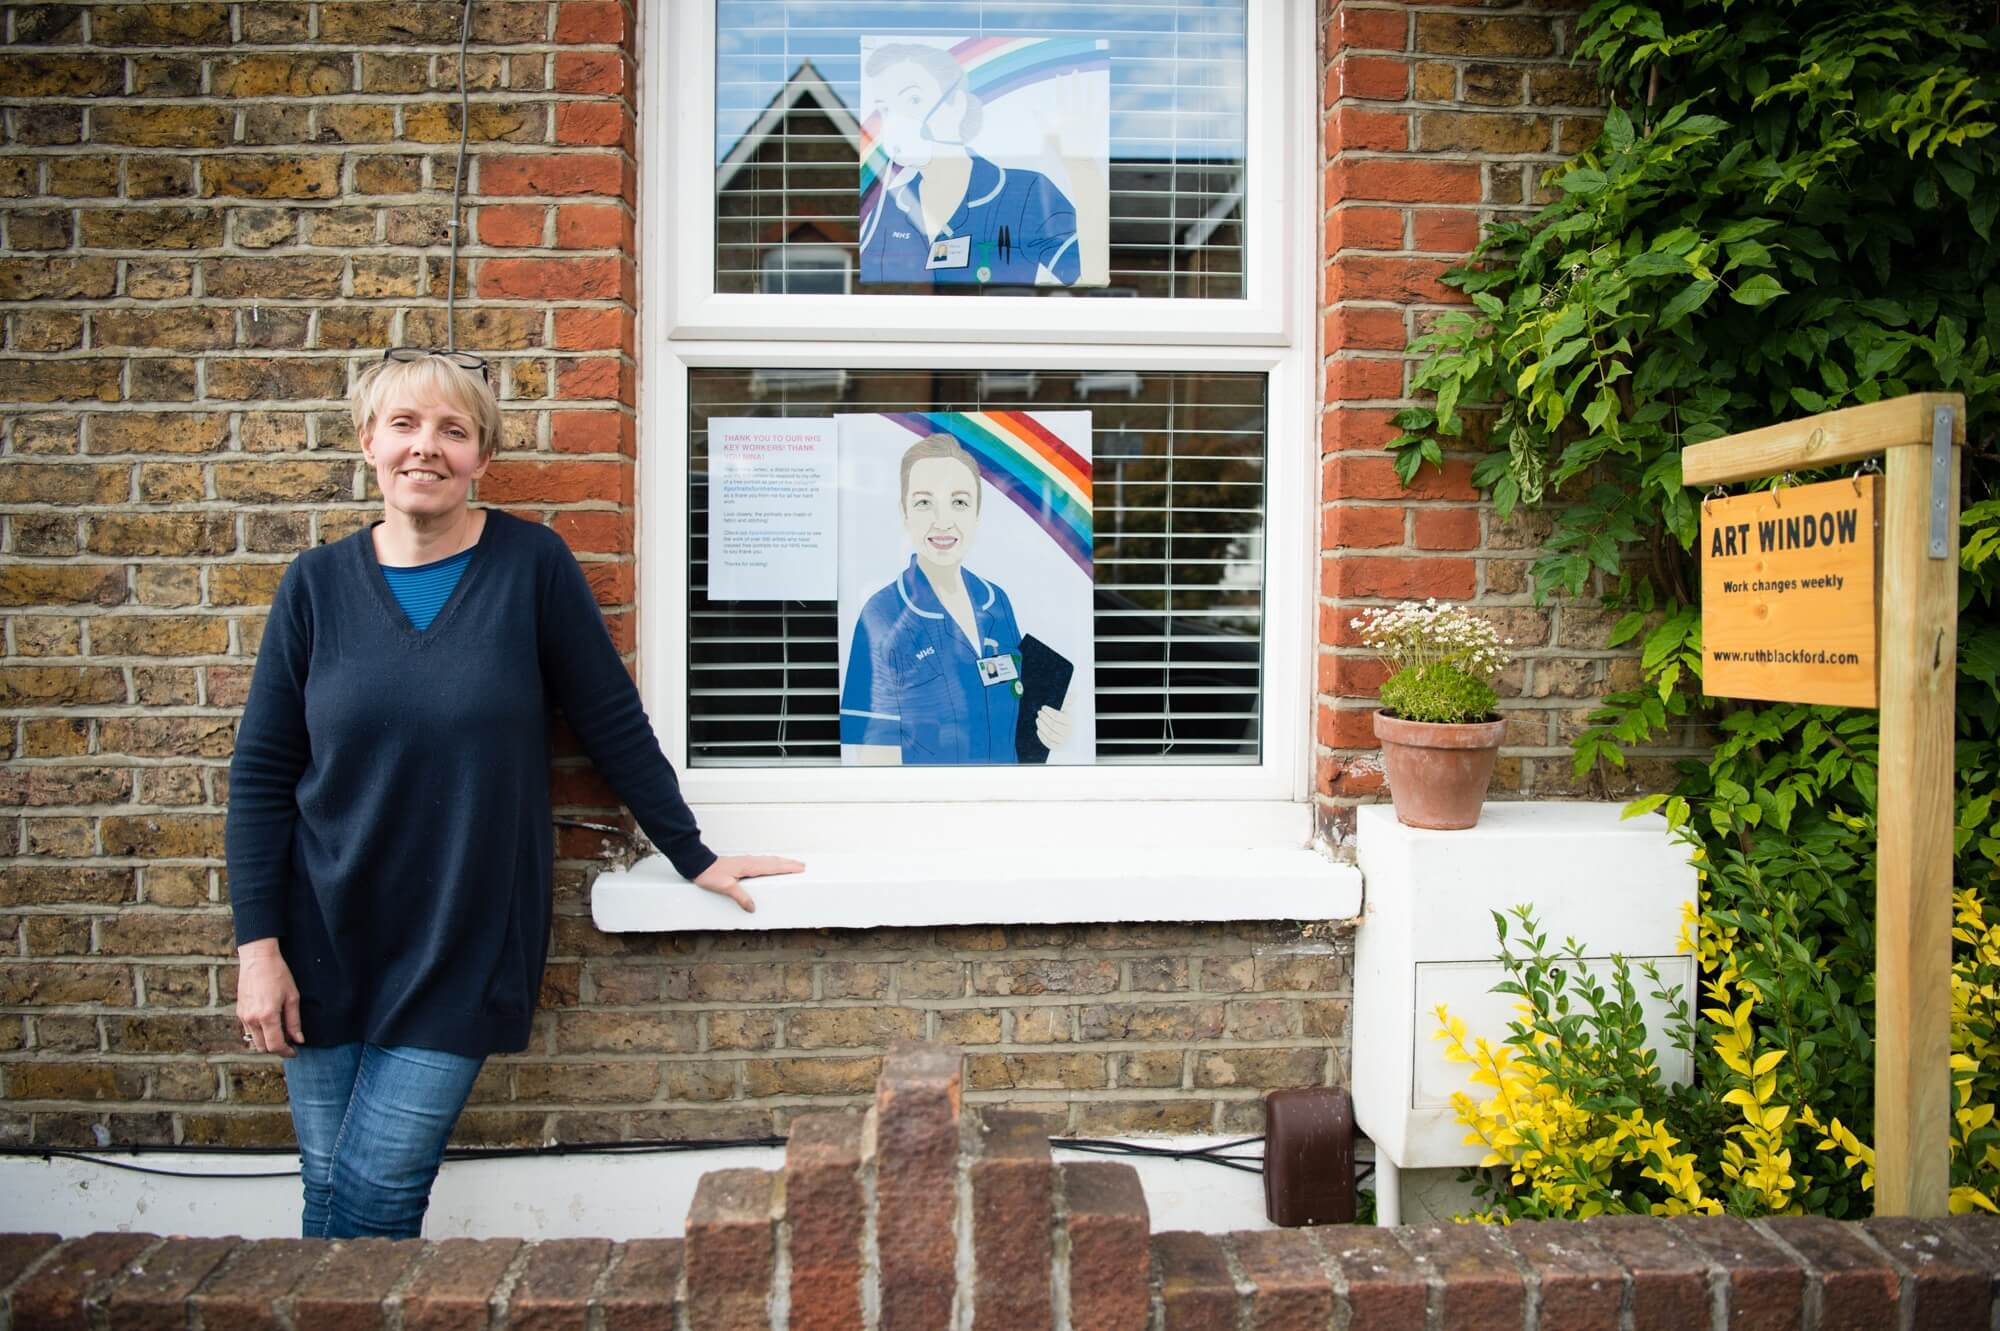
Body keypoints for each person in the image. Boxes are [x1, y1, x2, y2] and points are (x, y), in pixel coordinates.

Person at [224, 348, 803, 1240]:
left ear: (481, 457)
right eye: (406, 425)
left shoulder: (529, 566)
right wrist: (257, 947)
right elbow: (261, 776)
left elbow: (610, 721)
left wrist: (694, 851)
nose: (428, 448)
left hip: (464, 936)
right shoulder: (315, 586)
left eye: (453, 431)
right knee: (329, 1191)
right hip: (320, 940)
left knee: (374, 1194)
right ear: (368, 442)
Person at [840, 433, 1072, 763]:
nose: (943, 520)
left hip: (1008, 806)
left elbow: (1019, 707)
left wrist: (1055, 726)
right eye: (924, 502)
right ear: (904, 513)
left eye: (959, 502)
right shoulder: (882, 615)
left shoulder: (997, 602)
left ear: (976, 514)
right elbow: (874, 759)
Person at [858, 41, 1082, 287]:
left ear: (957, 103)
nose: (898, 121)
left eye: (913, 100)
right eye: (886, 110)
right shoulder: (888, 208)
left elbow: (1084, 275)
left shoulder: (1027, 192)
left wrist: (1083, 164)